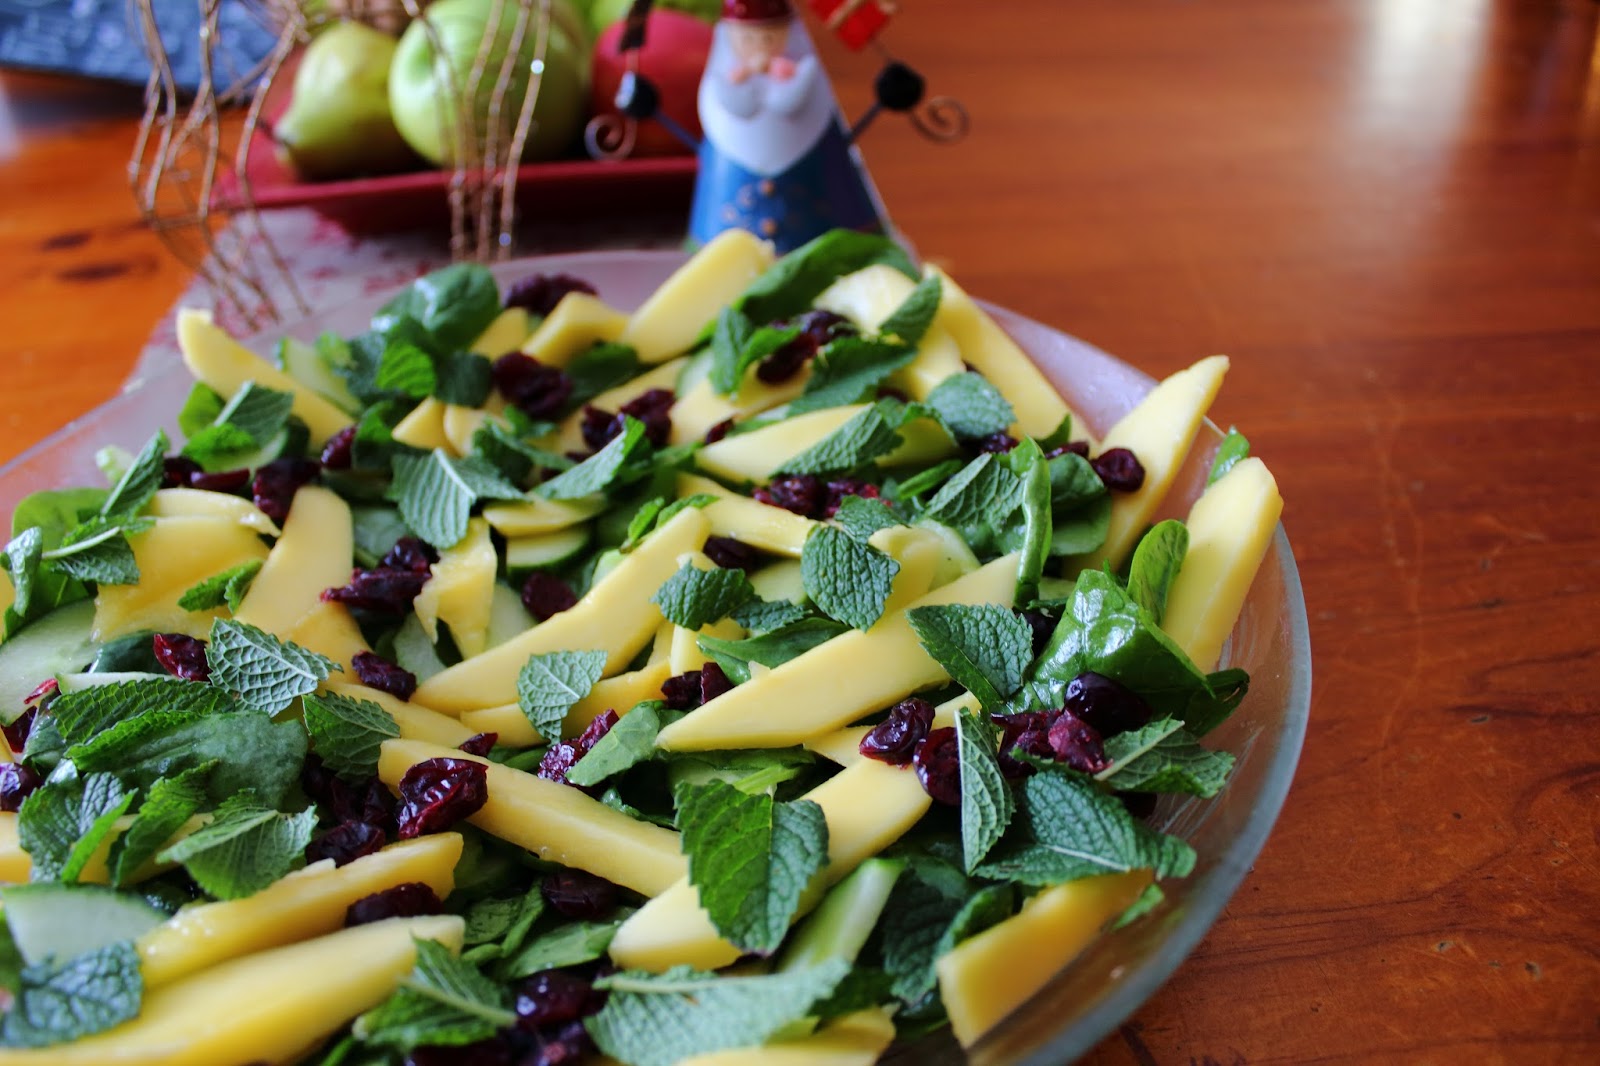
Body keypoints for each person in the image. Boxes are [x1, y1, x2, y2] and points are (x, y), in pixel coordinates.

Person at [688, 0, 887, 251]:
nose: (760, 49)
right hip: (717, 229)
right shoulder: (726, 84)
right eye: (748, 39)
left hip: (832, 219)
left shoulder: (803, 76)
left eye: (770, 38)